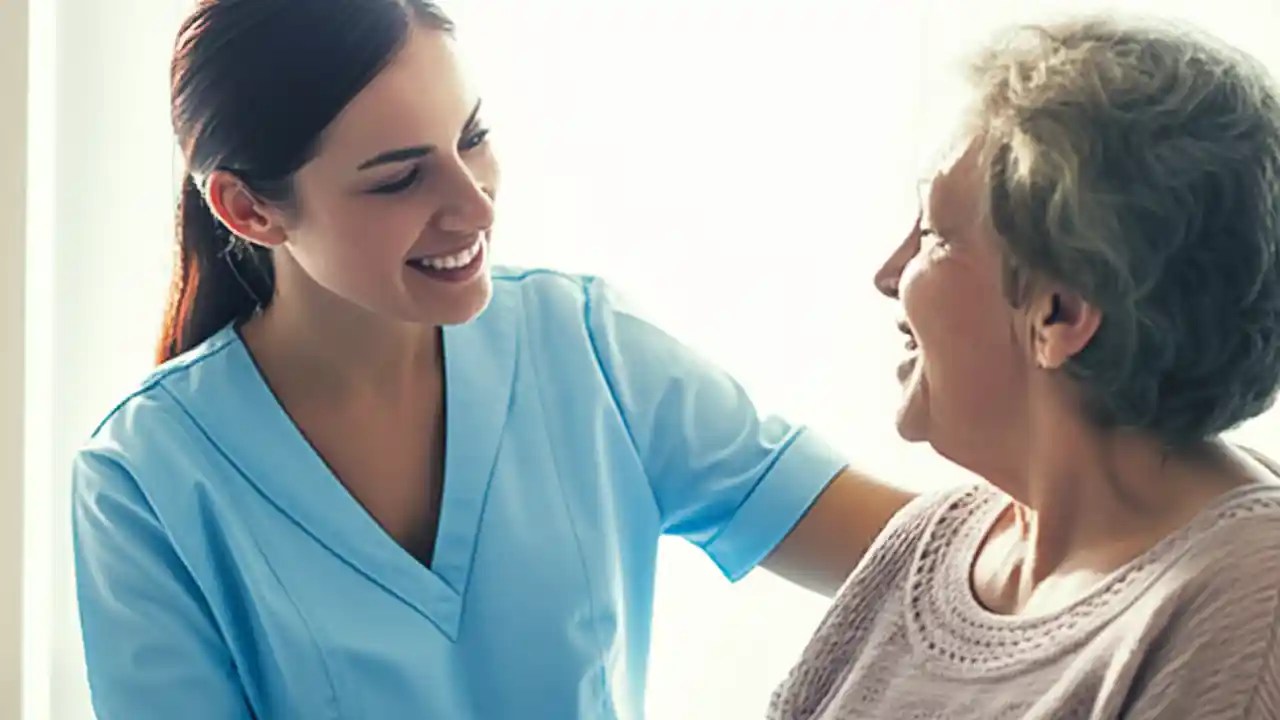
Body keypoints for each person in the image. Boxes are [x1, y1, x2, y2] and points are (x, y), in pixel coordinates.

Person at [69, 1, 913, 719]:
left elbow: (940, 561)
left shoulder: (584, 346)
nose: (474, 206)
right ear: (249, 208)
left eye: (472, 138)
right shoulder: (144, 482)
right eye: (399, 179)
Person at [770, 16, 1280, 720]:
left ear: (1060, 315)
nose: (889, 275)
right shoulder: (929, 541)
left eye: (933, 236)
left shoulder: (1251, 606)